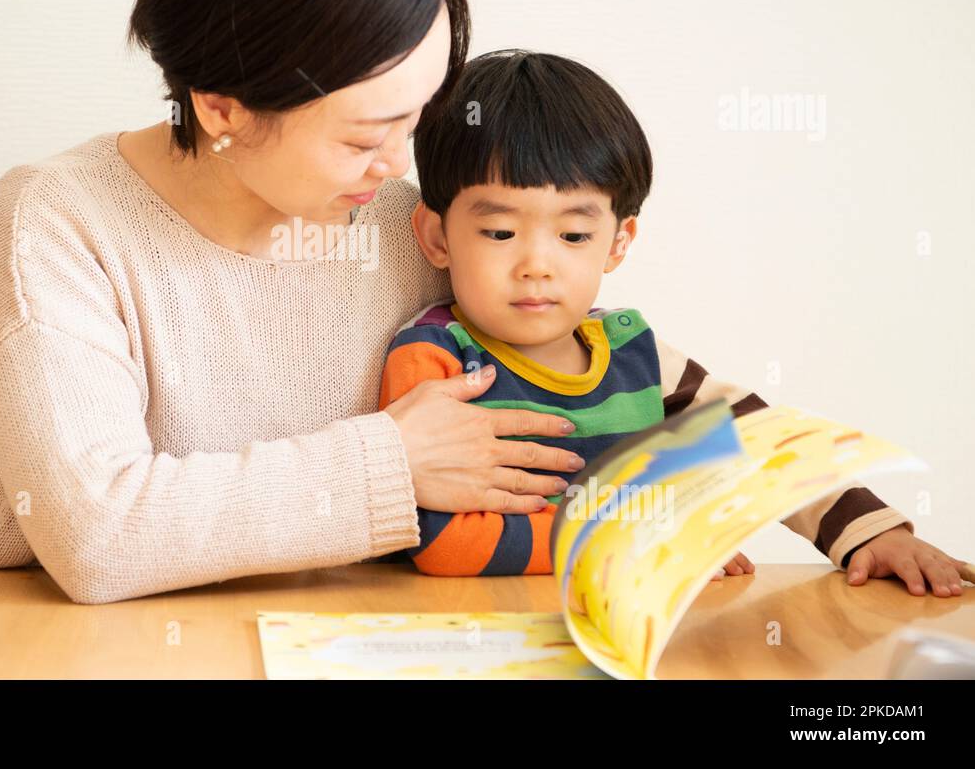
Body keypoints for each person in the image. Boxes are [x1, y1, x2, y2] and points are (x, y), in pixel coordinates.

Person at [0, 0, 581, 603]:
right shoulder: (59, 222)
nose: (397, 161)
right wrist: (390, 463)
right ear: (220, 107)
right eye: (360, 137)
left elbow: (592, 354)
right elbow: (97, 534)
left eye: (419, 115)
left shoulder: (411, 225)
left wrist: (729, 449)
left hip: (365, 636)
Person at [376, 49, 969, 595]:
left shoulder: (638, 356)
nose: (536, 266)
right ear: (436, 236)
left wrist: (873, 534)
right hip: (473, 634)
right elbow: (445, 542)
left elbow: (761, 447)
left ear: (617, 242)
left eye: (575, 235)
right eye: (500, 233)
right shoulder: (434, 359)